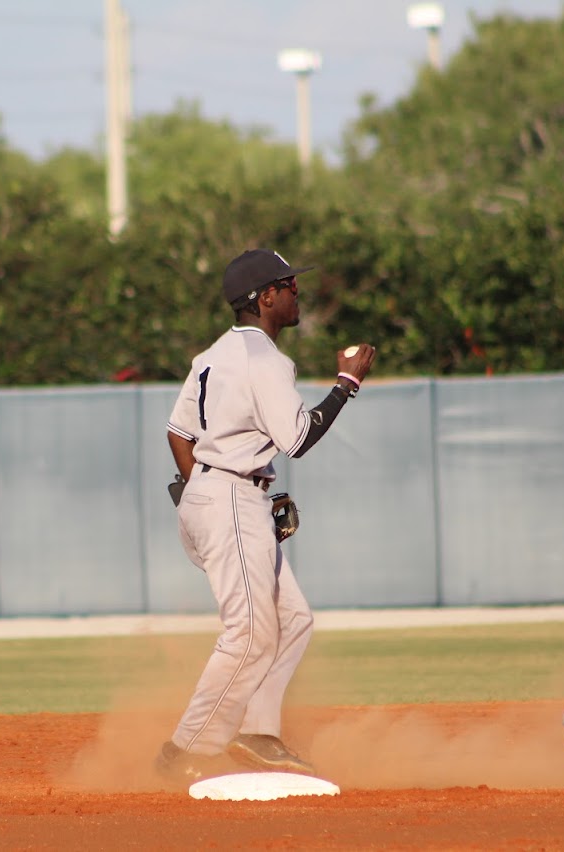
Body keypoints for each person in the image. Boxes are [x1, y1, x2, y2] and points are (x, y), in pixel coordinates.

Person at [154, 248, 376, 783]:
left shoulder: (212, 356)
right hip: (228, 496)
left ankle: (257, 730)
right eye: (288, 284)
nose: (297, 290)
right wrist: (347, 383)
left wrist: (205, 493)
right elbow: (297, 439)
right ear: (265, 298)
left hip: (222, 494)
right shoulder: (265, 361)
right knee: (249, 632)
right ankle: (185, 750)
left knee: (293, 619)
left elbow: (179, 433)